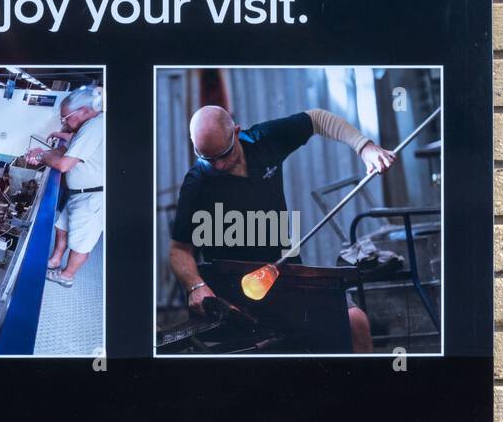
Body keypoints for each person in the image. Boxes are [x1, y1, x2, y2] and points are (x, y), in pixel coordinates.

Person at [168, 106, 395, 354]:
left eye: (224, 154)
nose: (219, 165)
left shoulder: (263, 140)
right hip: (235, 290)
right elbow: (179, 250)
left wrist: (364, 146)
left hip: (287, 273)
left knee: (355, 323)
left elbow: (316, 119)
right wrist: (195, 287)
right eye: (208, 159)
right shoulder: (197, 184)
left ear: (236, 132)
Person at [24, 85, 105, 286]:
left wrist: (41, 156)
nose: (64, 123)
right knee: (62, 227)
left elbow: (63, 164)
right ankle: (55, 260)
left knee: (81, 243)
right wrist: (41, 153)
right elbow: (63, 153)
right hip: (79, 194)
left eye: (65, 118)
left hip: (93, 198)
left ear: (84, 111)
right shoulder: (88, 126)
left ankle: (66, 276)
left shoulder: (96, 126)